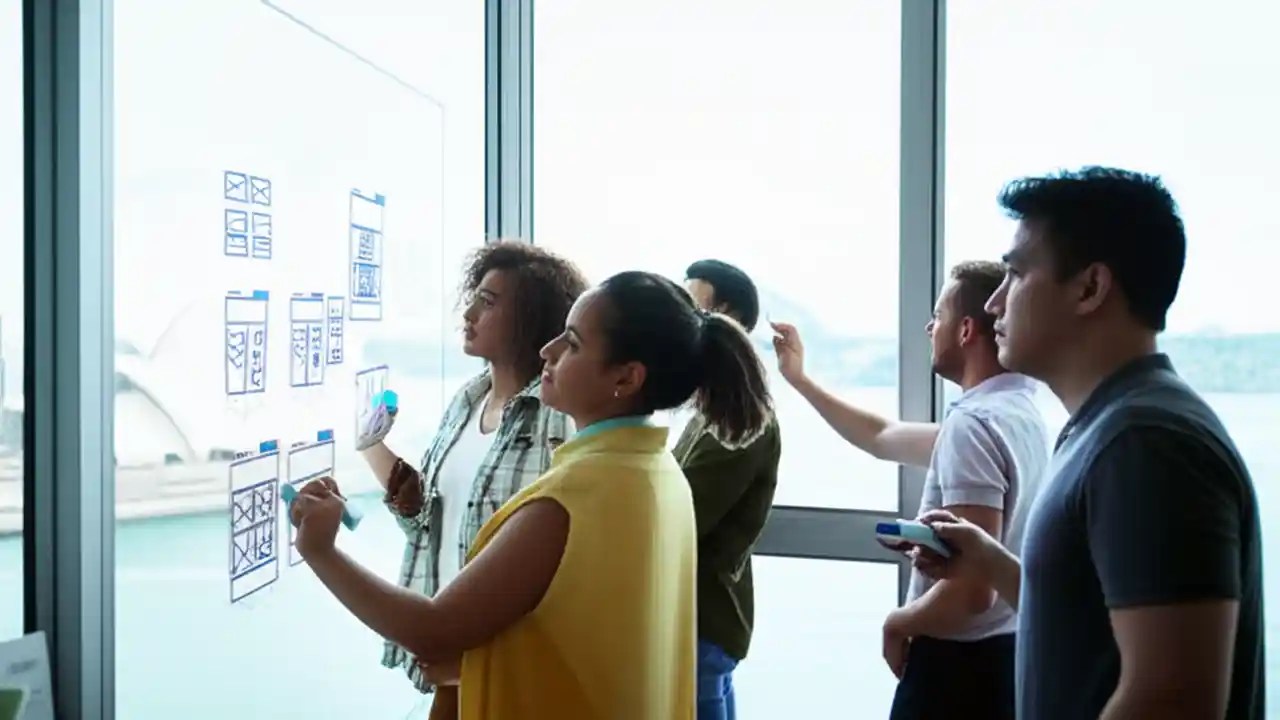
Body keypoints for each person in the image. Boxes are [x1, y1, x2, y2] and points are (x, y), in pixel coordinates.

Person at [291, 270, 774, 720]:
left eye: (574, 343)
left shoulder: (574, 497)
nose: (549, 350)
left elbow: (432, 630)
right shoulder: (657, 470)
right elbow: (587, 640)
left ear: (626, 378)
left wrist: (322, 550)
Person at [911, 167, 1264, 720]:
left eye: (1016, 275)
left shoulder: (1147, 445)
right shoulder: (1104, 428)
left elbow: (1172, 699)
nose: (996, 304)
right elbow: (1094, 623)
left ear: (1090, 287)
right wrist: (990, 564)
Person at [771, 260, 1050, 720]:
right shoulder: (1021, 415)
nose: (928, 327)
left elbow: (971, 589)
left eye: (937, 315)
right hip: (1009, 658)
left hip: (957, 670)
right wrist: (801, 380)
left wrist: (898, 623)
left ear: (964, 330)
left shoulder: (973, 426)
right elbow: (882, 436)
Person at [354, 240, 588, 713]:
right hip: (451, 653)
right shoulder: (467, 401)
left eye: (488, 302)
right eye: (473, 298)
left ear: (532, 317)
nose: (468, 313)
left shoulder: (557, 418)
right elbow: (433, 525)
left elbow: (566, 559)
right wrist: (375, 450)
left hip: (510, 667)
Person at [680, 260, 782, 720]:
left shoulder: (737, 420)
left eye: (690, 302)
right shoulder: (710, 411)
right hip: (700, 619)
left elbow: (683, 516)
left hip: (705, 621)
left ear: (722, 314)